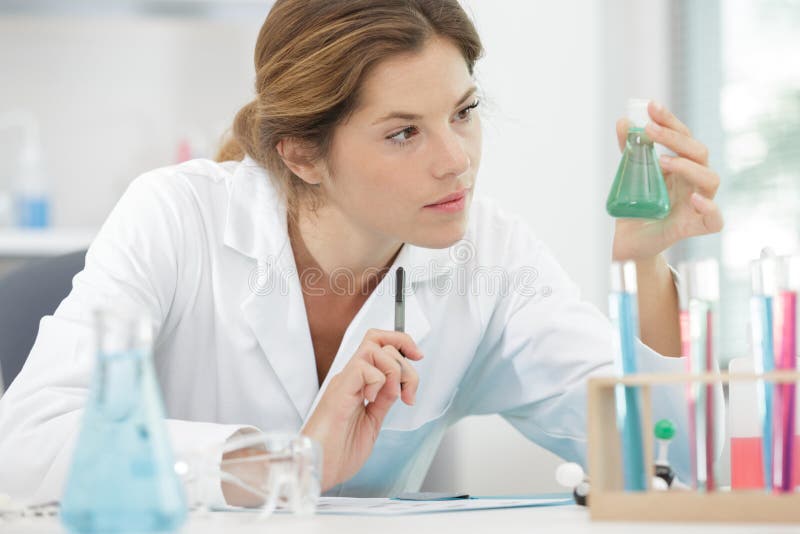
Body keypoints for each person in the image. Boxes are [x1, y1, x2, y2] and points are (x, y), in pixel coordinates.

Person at [0, 0, 723, 506]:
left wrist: (643, 268)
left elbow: (670, 461)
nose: (457, 162)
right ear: (304, 154)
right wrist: (285, 466)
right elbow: (29, 442)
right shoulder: (175, 217)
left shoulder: (490, 256)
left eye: (463, 113)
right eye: (403, 132)